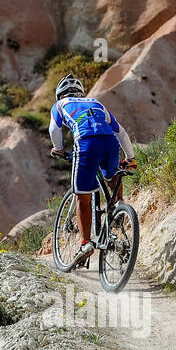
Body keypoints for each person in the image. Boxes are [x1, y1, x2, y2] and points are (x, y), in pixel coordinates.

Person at [48, 74, 136, 268]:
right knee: (112, 175)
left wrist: (59, 149)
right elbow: (120, 131)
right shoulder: (95, 102)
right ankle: (118, 208)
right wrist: (131, 158)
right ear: (80, 93)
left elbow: (55, 130)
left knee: (82, 197)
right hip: (110, 142)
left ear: (59, 94)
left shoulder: (60, 105)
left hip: (86, 144)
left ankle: (86, 243)